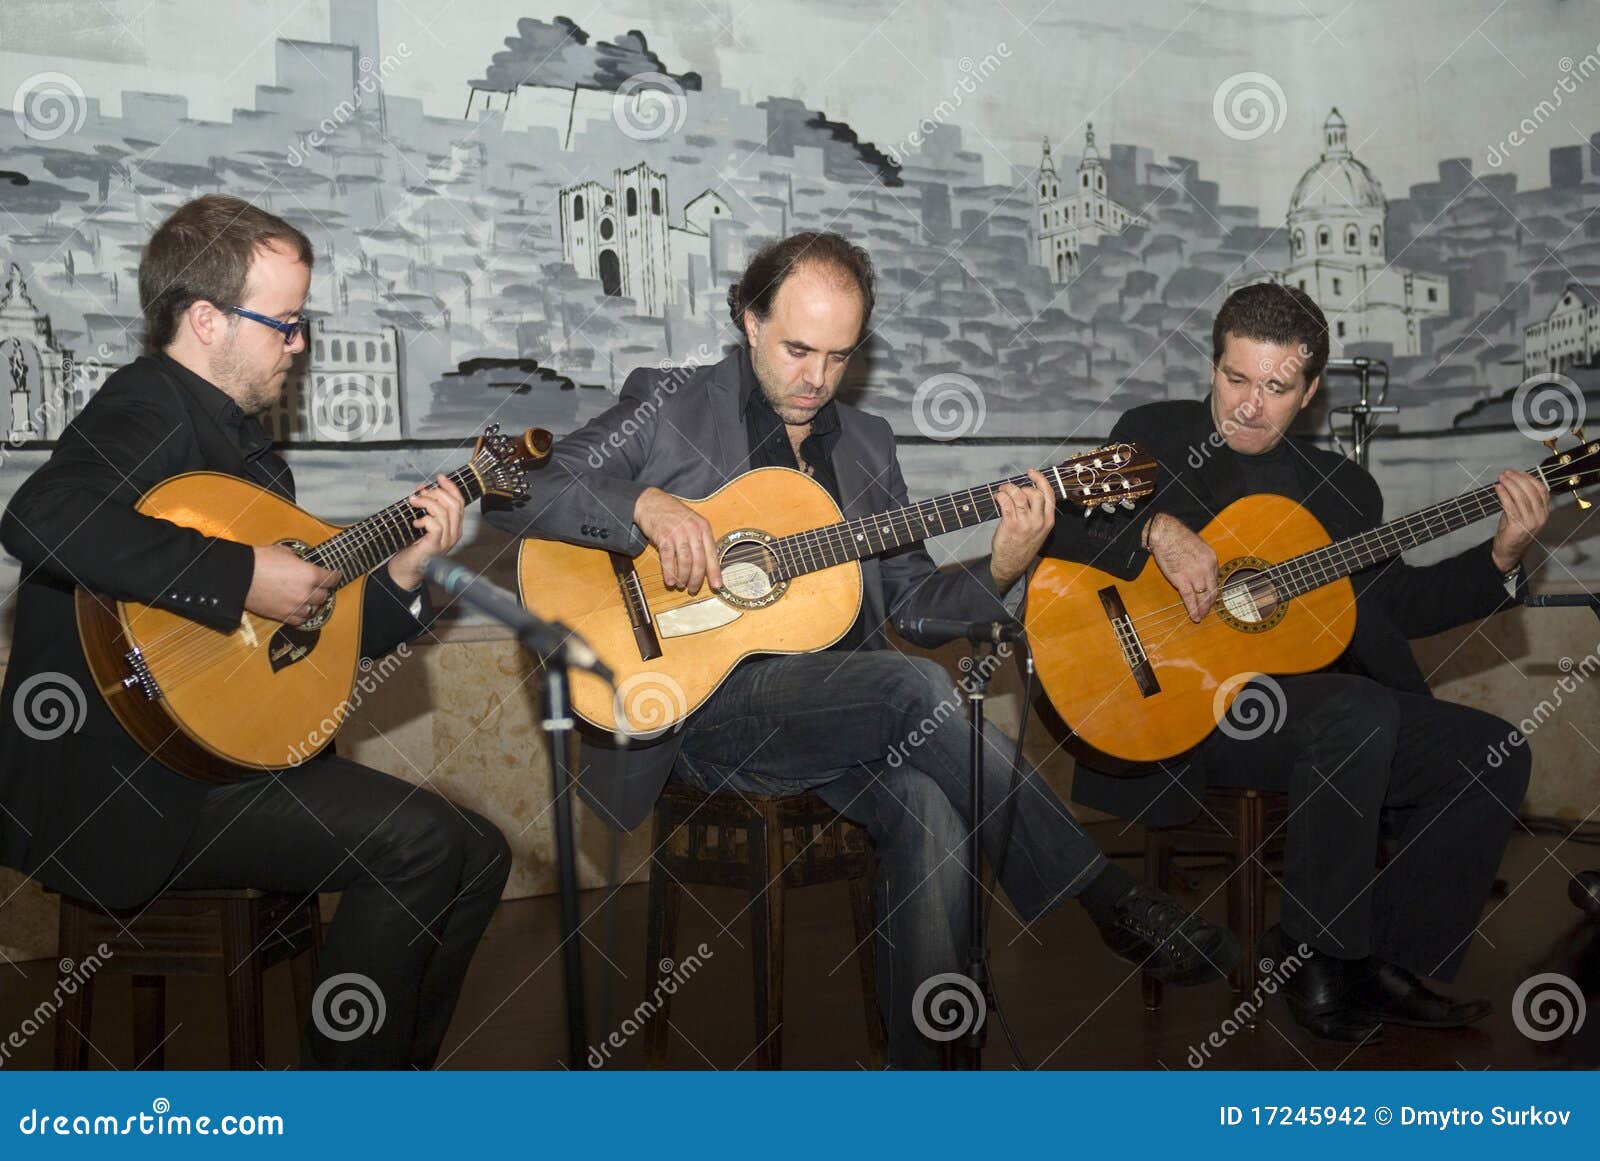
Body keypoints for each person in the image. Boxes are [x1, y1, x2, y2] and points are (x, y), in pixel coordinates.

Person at [487, 231, 1239, 1067]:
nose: (815, 379)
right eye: (797, 349)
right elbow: (518, 486)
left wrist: (1002, 566)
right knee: (907, 687)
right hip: (699, 709)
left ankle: (930, 1084)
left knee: (931, 807)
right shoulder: (671, 402)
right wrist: (647, 506)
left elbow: (914, 606)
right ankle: (1108, 896)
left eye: (839, 357)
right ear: (749, 321)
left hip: (842, 713)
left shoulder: (868, 446)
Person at [0, 194, 509, 1068]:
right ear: (205, 319)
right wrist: (243, 574)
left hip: (207, 760)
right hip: (124, 794)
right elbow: (39, 516)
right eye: (286, 323)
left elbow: (295, 643)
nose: (299, 344)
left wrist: (404, 576)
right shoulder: (151, 406)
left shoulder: (240, 452)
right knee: (423, 841)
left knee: (484, 850)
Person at [1047, 282, 1547, 1042]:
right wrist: (1155, 531)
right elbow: (1059, 537)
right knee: (1357, 708)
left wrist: (1503, 557)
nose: (1249, 405)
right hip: (1175, 710)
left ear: (1310, 392)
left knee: (1491, 752)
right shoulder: (1153, 434)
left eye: (1276, 387)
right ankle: (1314, 954)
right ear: (1212, 367)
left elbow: (1401, 605)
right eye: (1235, 378)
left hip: (1317, 725)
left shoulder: (1342, 491)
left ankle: (1385, 959)